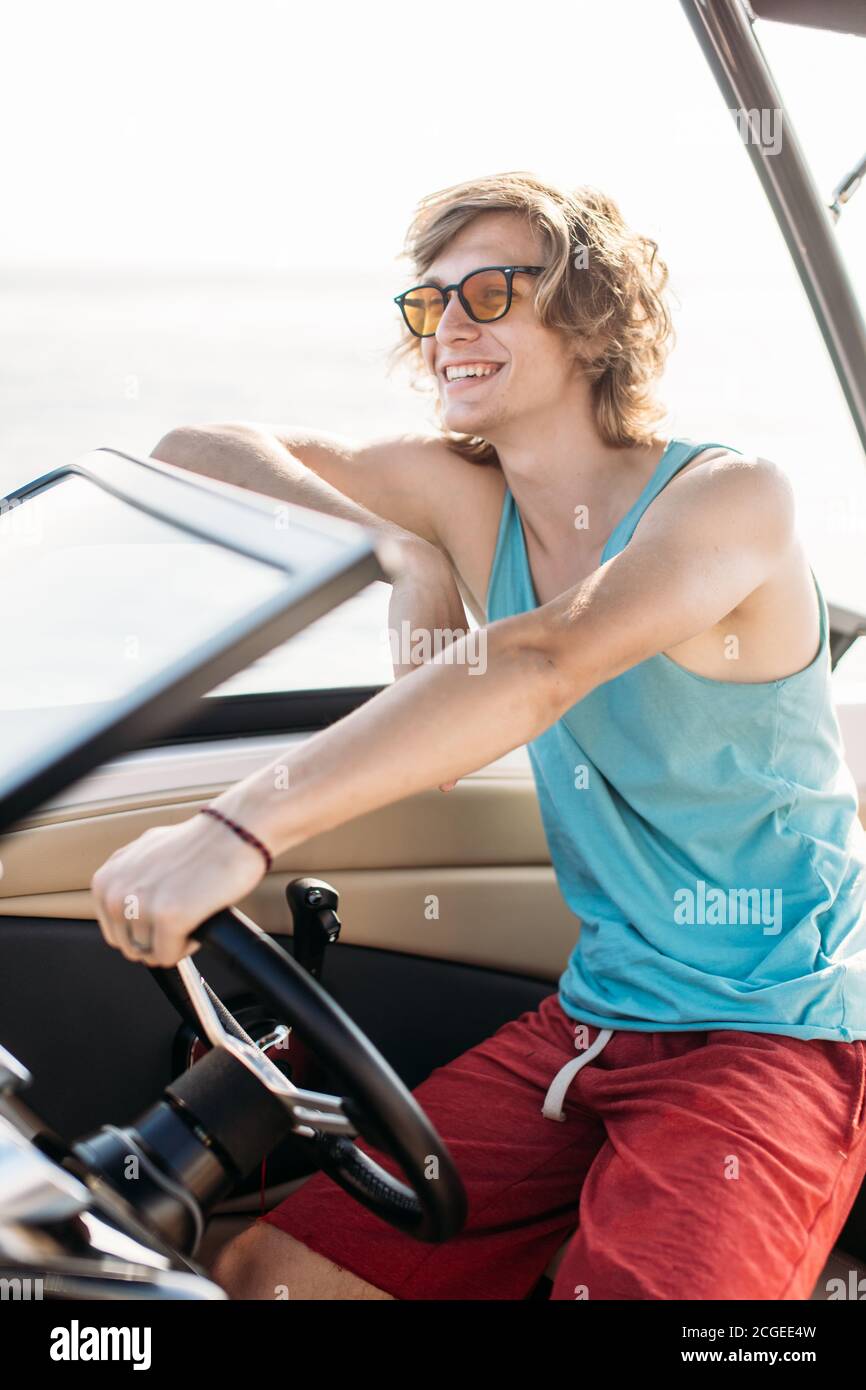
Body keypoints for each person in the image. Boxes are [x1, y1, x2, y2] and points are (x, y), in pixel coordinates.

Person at [91, 171, 866, 1300]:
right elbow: (190, 449)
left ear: (589, 316)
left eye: (491, 292)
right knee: (260, 1275)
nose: (447, 325)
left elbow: (545, 657)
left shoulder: (730, 497)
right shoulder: (466, 498)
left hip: (771, 1039)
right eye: (430, 301)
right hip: (594, 1016)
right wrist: (394, 553)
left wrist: (235, 827)